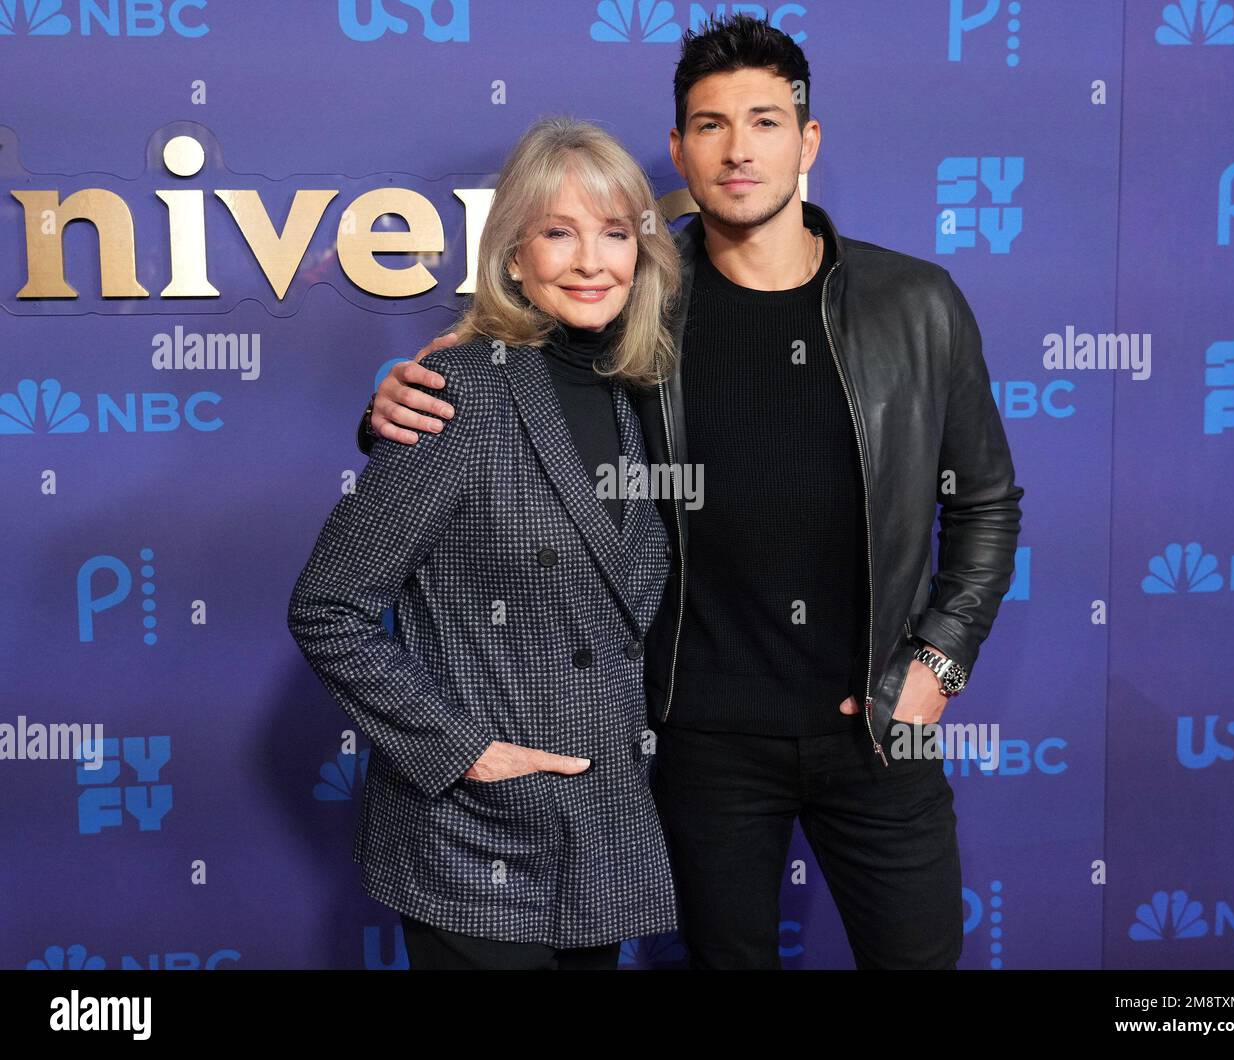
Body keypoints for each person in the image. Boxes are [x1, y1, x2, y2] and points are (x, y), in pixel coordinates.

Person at [356, 15, 1023, 970]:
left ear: (809, 139)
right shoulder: (635, 295)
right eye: (710, 125)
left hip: (881, 726)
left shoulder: (915, 303)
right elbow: (501, 383)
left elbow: (987, 501)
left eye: (764, 120)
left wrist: (939, 667)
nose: (738, 149)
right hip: (702, 739)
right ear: (678, 149)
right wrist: (388, 406)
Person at [288, 116, 682, 970]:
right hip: (474, 841)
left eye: (615, 233)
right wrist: (462, 752)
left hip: (603, 837)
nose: (591, 260)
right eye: (559, 233)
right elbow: (329, 609)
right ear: (512, 256)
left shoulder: (641, 398)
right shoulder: (458, 393)